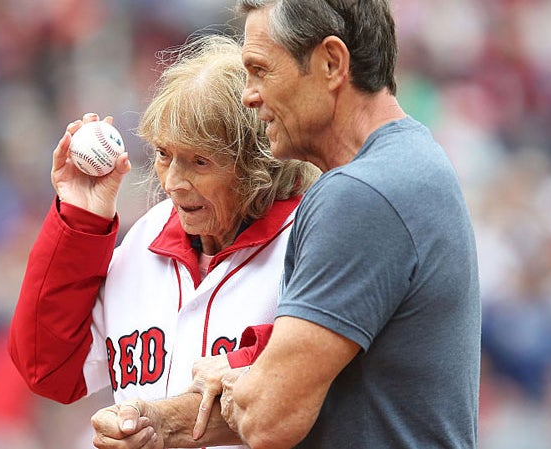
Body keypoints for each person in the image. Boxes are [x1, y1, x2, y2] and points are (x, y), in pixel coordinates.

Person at [90, 1, 481, 448]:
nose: (249, 94)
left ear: (331, 63)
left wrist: (243, 376)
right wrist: (160, 424)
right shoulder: (414, 162)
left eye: (260, 70)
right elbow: (305, 392)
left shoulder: (360, 194)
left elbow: (267, 418)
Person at [7, 33, 319, 449]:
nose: (172, 182)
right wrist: (79, 220)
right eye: (164, 154)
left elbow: (303, 375)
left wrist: (161, 421)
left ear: (256, 164)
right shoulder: (147, 238)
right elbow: (48, 369)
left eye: (199, 161)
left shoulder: (309, 236)